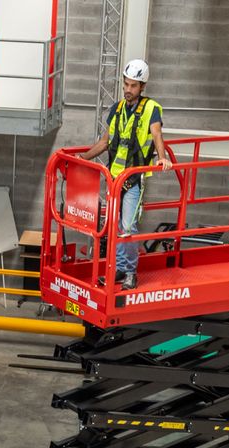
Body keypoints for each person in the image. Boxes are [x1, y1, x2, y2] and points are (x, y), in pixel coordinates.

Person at [77, 59, 167, 292]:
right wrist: (84, 158)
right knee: (115, 226)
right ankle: (119, 267)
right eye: (126, 84)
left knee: (128, 226)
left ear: (142, 86)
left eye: (133, 86)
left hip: (133, 179)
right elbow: (105, 142)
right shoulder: (117, 109)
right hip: (114, 179)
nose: (128, 89)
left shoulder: (151, 109)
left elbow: (156, 134)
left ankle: (129, 272)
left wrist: (162, 156)